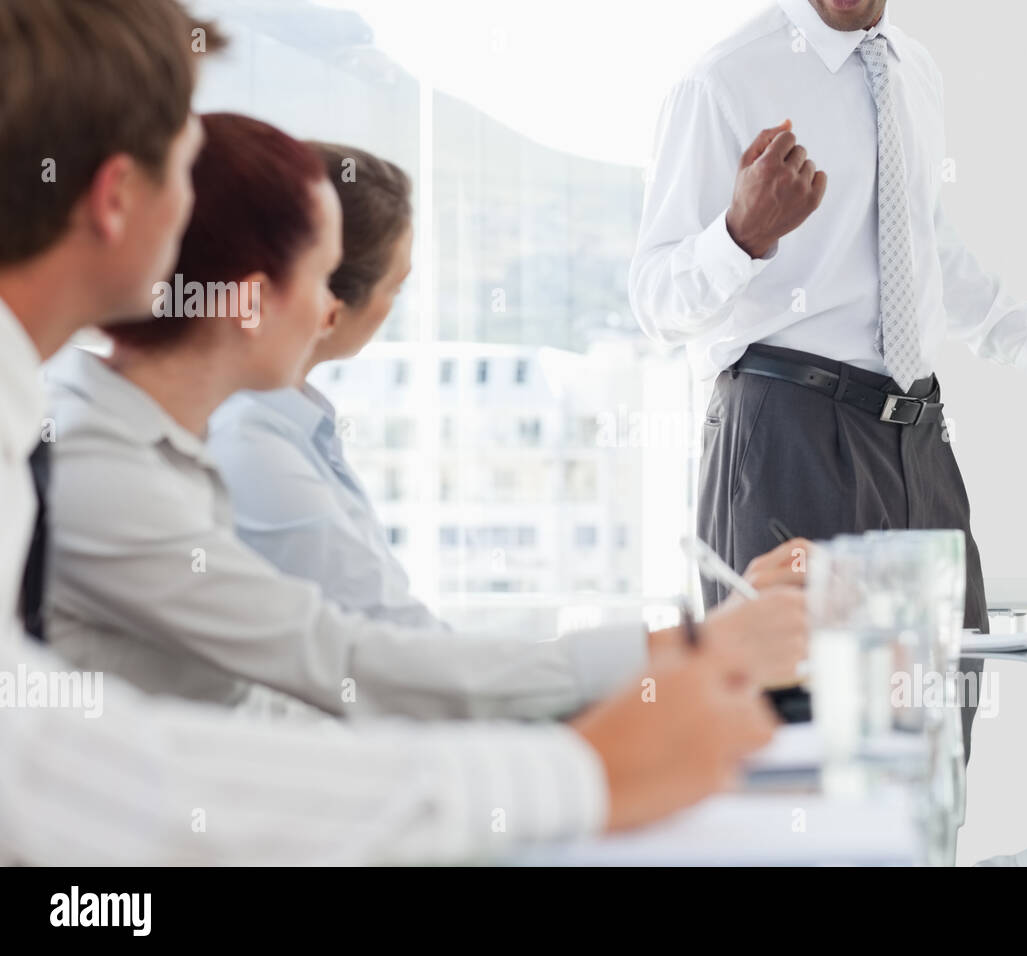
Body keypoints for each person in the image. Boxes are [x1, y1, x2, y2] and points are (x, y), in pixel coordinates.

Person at [0, 0, 777, 864]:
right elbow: (332, 661)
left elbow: (283, 701)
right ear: (116, 197)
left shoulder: (82, 428)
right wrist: (581, 767)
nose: (193, 223)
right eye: (183, 170)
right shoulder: (99, 454)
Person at [43, 112, 808, 721]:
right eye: (318, 277)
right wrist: (687, 647)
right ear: (249, 298)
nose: (327, 308)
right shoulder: (118, 466)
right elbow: (356, 662)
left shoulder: (175, 441)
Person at [628, 0, 1027, 757]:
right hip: (786, 435)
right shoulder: (725, 78)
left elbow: (925, 249)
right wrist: (739, 238)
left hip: (918, 443)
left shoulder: (912, 71)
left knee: (935, 742)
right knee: (796, 751)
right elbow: (655, 301)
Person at [206, 141, 814, 641]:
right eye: (398, 286)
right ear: (329, 308)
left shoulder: (290, 429)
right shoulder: (255, 447)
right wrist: (698, 644)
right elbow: (414, 659)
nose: (398, 307)